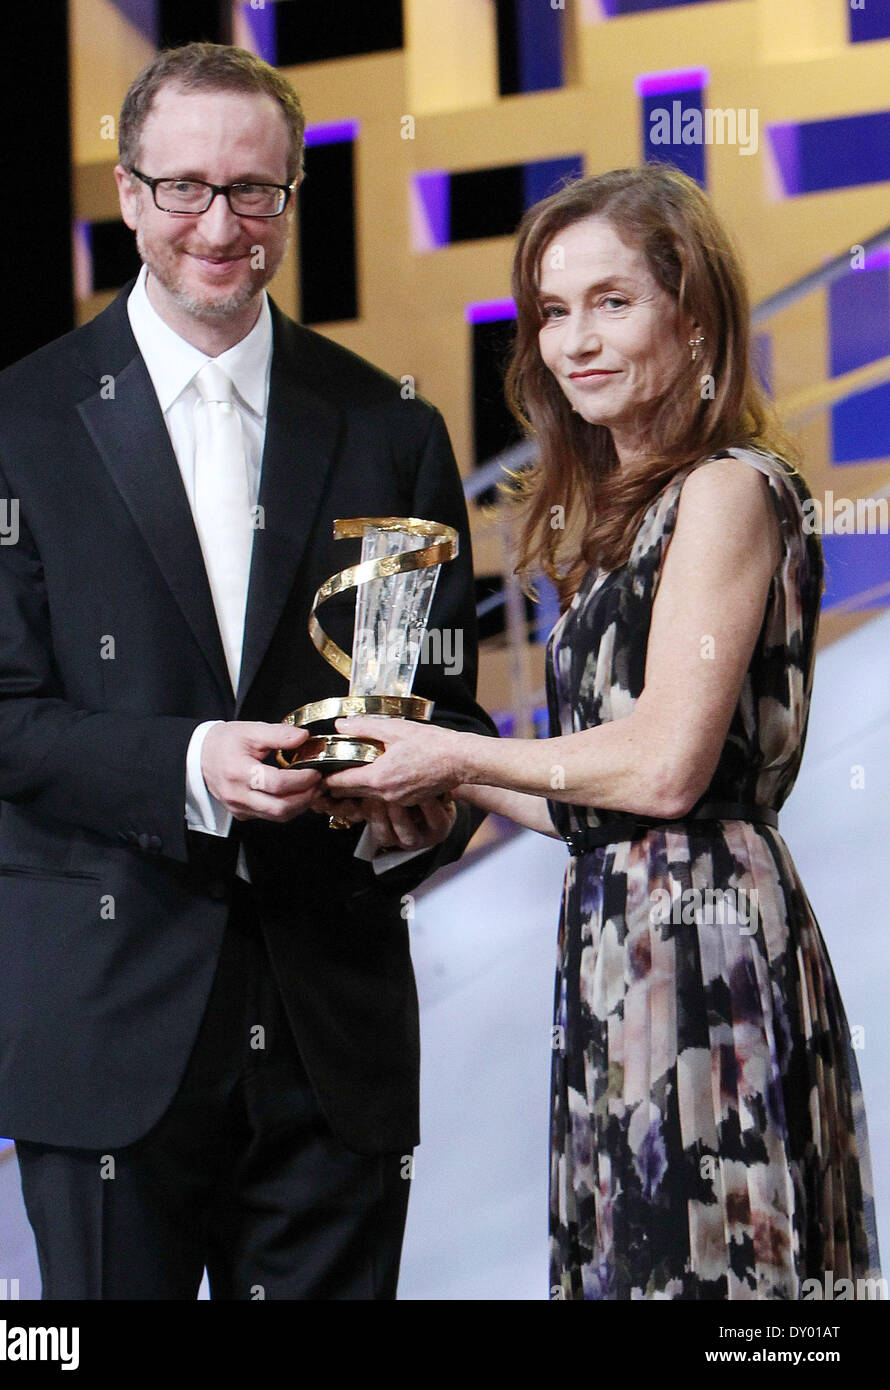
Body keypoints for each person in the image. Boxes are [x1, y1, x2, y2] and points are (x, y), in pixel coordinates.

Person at [0, 43, 494, 1300]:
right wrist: (195, 763)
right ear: (128, 195)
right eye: (181, 187)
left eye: (253, 191)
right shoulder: (2, 432)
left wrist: (414, 811)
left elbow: (436, 704)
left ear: (292, 198)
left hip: (330, 1036)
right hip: (102, 1026)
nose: (218, 224)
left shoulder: (390, 428)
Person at [324, 165, 882, 1300]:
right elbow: (598, 796)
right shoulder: (617, 523)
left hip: (703, 951)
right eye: (550, 309)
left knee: (715, 1280)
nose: (573, 339)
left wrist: (460, 753)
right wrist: (434, 767)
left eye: (611, 302)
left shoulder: (727, 489)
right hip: (618, 943)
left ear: (695, 317)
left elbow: (667, 766)